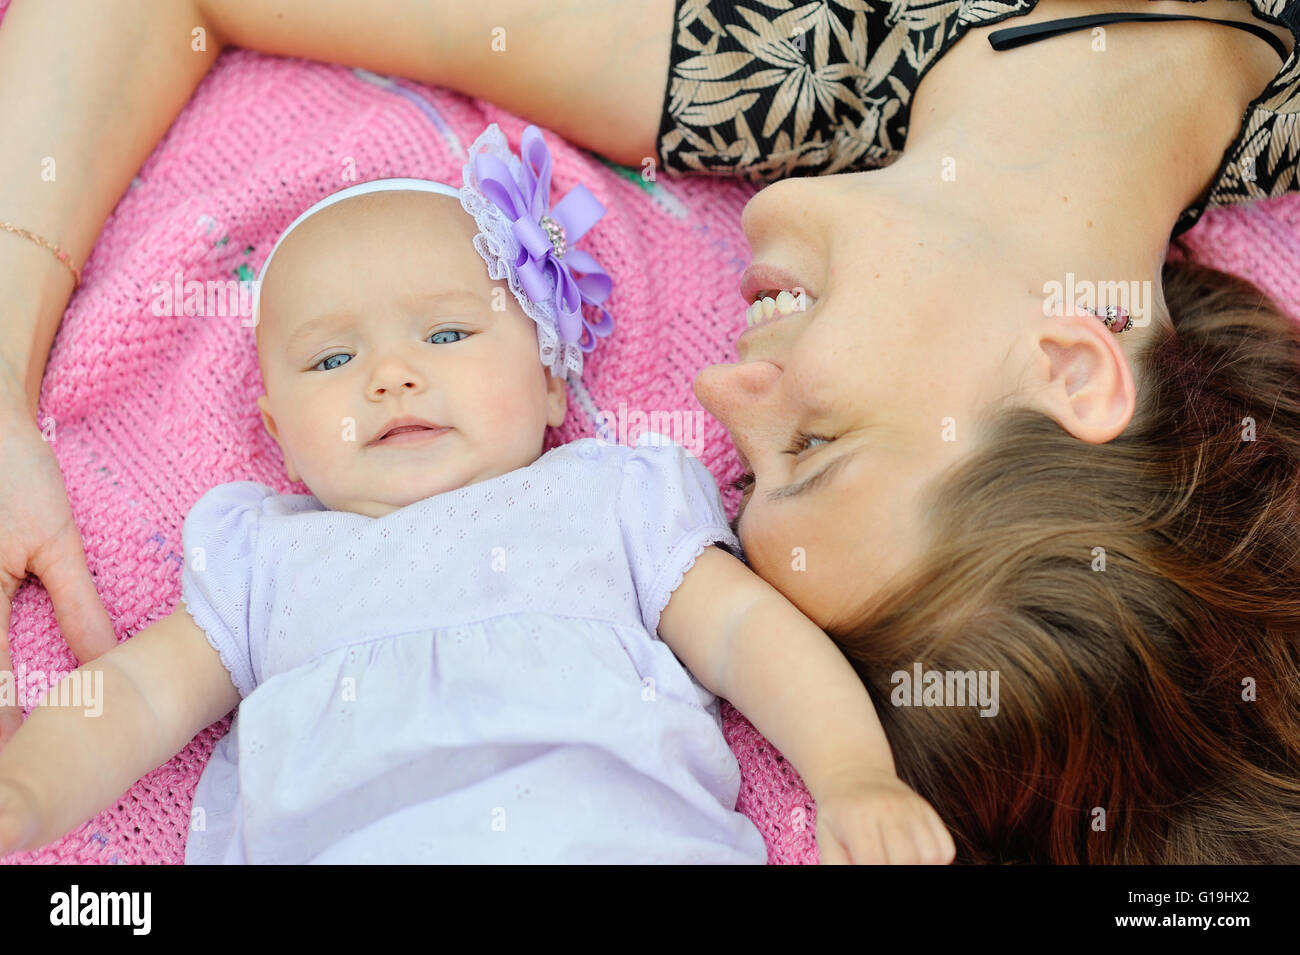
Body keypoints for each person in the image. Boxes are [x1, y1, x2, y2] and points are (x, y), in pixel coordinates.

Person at [2, 0, 1299, 862]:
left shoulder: (745, 62)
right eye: (821, 438)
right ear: (1073, 362)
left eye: (757, 467)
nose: (727, 394)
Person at [0, 123, 954, 864]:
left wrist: (854, 773)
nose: (392, 377)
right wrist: (30, 786)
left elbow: (754, 637)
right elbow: (130, 694)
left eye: (448, 335)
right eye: (333, 358)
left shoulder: (612, 503)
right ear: (278, 433)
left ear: (549, 380)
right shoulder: (261, 562)